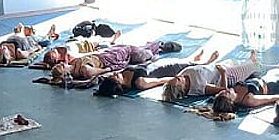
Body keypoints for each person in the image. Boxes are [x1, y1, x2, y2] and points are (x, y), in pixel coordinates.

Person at [94, 50, 220, 97]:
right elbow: (160, 81)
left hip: (155, 64)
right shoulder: (140, 82)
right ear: (119, 85)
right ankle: (205, 62)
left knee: (184, 63)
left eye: (113, 75)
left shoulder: (122, 75)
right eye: (115, 78)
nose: (115, 74)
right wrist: (176, 79)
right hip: (164, 70)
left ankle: (195, 60)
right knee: (190, 69)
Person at [160, 53, 266, 103]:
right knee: (254, 66)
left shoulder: (183, 74)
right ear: (182, 87)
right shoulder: (197, 86)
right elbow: (222, 90)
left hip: (217, 68)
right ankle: (253, 64)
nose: (178, 76)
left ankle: (249, 62)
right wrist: (223, 73)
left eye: (176, 77)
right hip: (227, 76)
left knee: (236, 61)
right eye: (178, 80)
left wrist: (210, 61)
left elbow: (200, 68)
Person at [52, 41, 182, 81]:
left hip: (104, 54)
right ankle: (159, 47)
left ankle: (155, 46)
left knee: (131, 49)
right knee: (139, 54)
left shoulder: (73, 64)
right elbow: (96, 71)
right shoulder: (83, 69)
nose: (61, 63)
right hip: (109, 58)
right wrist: (109, 69)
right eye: (61, 66)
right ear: (65, 73)